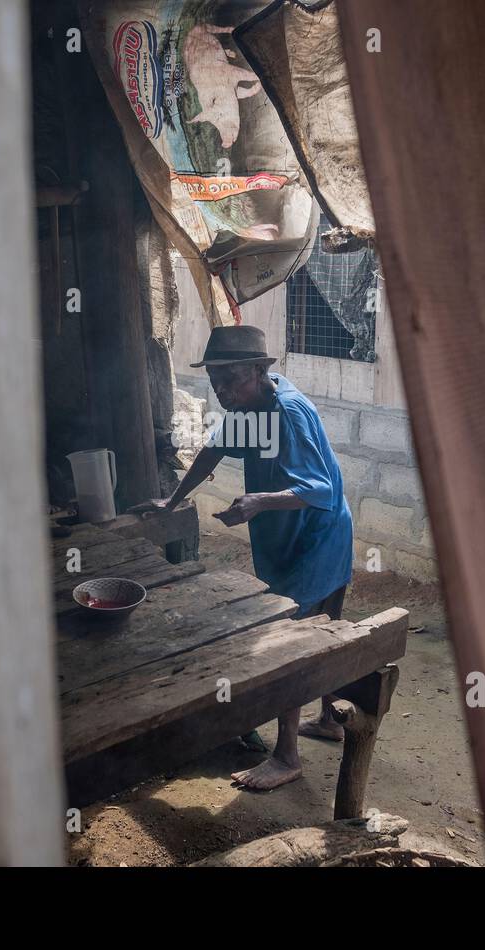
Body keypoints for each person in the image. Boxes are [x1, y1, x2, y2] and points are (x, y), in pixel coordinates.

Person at [133, 325, 353, 790]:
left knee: (287, 637)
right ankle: (332, 720)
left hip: (317, 534)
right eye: (216, 382)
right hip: (303, 533)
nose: (223, 392)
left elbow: (320, 489)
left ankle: (287, 756)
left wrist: (257, 502)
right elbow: (212, 451)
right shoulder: (247, 405)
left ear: (259, 370)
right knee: (322, 625)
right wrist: (171, 501)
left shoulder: (287, 412)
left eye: (231, 379)